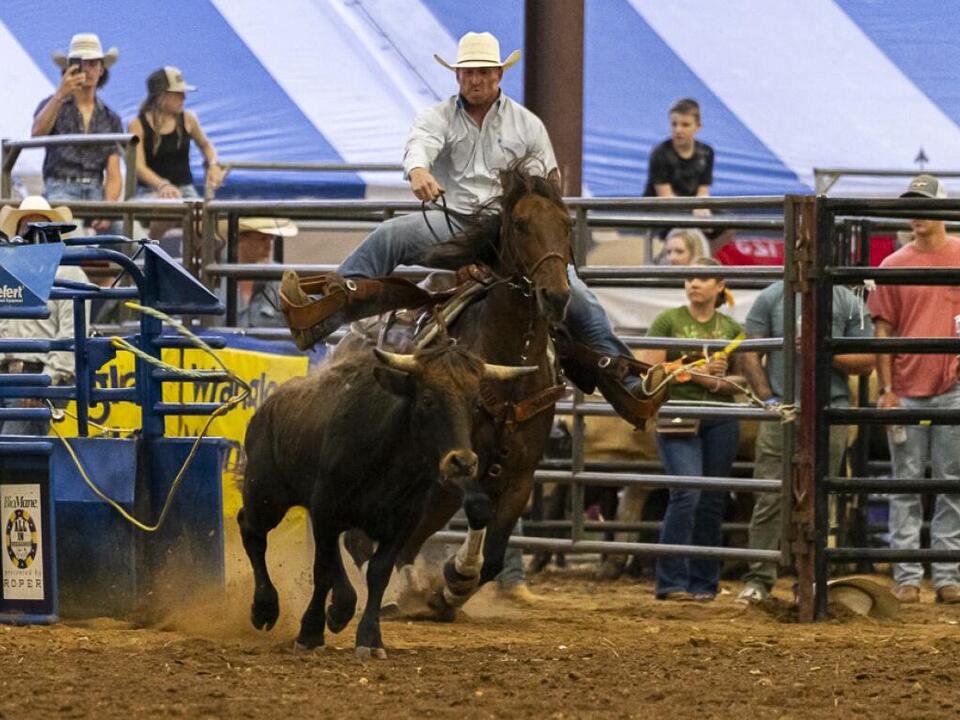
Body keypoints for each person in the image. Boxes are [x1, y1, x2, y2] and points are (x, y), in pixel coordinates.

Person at [279, 31, 656, 425]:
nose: (474, 79)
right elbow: (420, 143)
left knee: (577, 294)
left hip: (509, 232)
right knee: (389, 236)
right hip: (454, 223)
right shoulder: (438, 117)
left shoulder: (526, 125)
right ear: (458, 76)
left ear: (498, 75)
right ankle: (327, 309)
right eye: (467, 72)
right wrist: (419, 169)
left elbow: (546, 183)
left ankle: (623, 381)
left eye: (482, 72)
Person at [736, 281, 874, 603]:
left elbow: (867, 361)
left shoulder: (846, 301)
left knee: (819, 496)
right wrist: (768, 398)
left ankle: (810, 578)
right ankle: (762, 578)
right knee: (771, 493)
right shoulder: (773, 296)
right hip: (787, 409)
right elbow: (750, 352)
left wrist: (822, 347)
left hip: (829, 409)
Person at [866, 174, 960, 605]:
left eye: (923, 205)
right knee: (911, 481)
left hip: (948, 384)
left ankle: (943, 574)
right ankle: (909, 574)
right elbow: (883, 329)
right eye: (912, 205)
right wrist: (886, 387)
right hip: (907, 385)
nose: (917, 213)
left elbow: (883, 328)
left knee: (948, 481)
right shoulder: (893, 266)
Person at [639, 258, 745, 601]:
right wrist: (699, 372)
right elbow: (649, 372)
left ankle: (702, 584)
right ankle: (673, 582)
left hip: (720, 415)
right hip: (678, 414)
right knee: (688, 493)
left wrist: (718, 380)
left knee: (711, 499)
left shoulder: (732, 328)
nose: (693, 283)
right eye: (689, 277)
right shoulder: (668, 320)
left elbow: (744, 381)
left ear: (719, 285)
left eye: (702, 278)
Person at [0, 197, 89, 435]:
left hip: (39, 376)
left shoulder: (70, 273)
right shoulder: (7, 271)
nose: (32, 234)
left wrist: (44, 383)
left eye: (39, 227)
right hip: (7, 374)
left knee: (12, 446)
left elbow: (70, 339)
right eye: (27, 228)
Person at [32, 33, 122, 232]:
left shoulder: (111, 117)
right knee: (71, 236)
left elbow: (114, 173)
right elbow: (37, 134)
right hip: (60, 188)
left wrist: (108, 207)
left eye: (93, 64)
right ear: (68, 69)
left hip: (97, 192)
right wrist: (60, 94)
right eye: (80, 64)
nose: (87, 70)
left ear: (101, 69)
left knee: (131, 239)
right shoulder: (53, 105)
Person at [129, 67, 225, 239]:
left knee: (209, 220)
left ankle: (201, 260)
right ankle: (151, 245)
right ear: (161, 95)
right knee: (169, 209)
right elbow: (138, 166)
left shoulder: (188, 119)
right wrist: (162, 185)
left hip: (185, 191)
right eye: (178, 93)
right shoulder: (137, 124)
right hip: (151, 192)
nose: (184, 98)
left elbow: (206, 145)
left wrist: (213, 164)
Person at [217, 217, 298, 328]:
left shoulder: (281, 278)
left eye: (271, 239)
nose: (268, 246)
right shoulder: (217, 275)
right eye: (262, 239)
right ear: (240, 239)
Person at [643, 98, 714, 217]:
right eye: (674, 124)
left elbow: (703, 192)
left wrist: (702, 211)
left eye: (685, 125)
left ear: (698, 127)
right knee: (682, 234)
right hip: (662, 210)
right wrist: (695, 214)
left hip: (693, 209)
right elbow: (666, 198)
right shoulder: (660, 153)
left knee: (730, 225)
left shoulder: (706, 152)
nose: (678, 130)